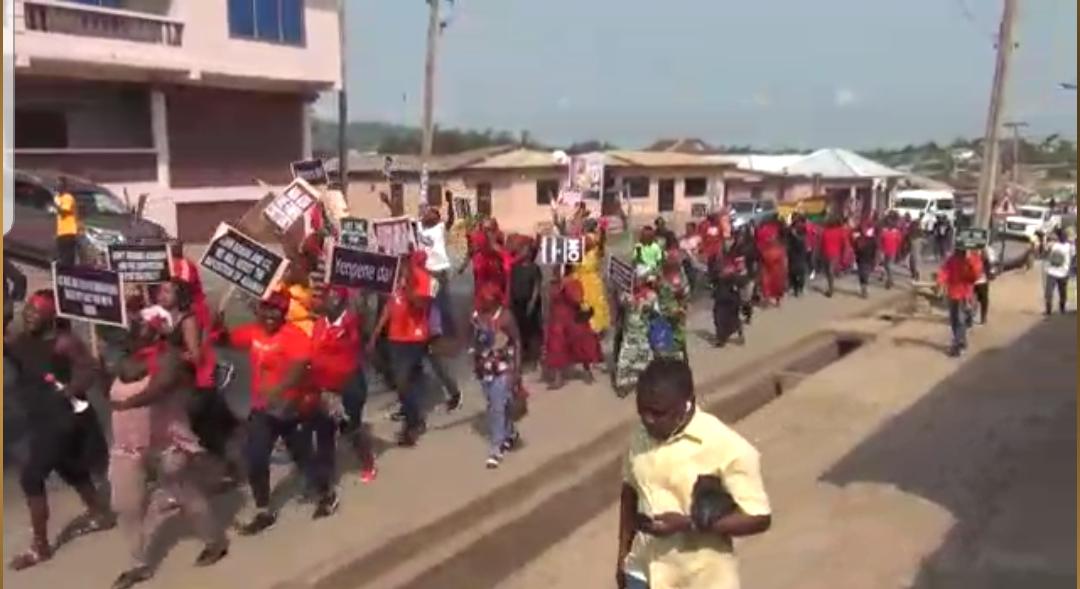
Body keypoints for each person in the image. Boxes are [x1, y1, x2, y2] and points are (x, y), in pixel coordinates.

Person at [617, 359, 772, 589]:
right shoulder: (639, 437)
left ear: (686, 404)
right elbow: (629, 491)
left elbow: (759, 518)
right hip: (644, 570)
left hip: (702, 578)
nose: (648, 420)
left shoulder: (726, 447)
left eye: (658, 413)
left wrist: (688, 524)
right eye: (642, 411)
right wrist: (623, 556)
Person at [108, 310, 229, 589]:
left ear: (155, 330)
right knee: (126, 506)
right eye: (133, 324)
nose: (133, 328)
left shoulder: (169, 357)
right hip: (127, 445)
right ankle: (139, 565)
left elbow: (160, 387)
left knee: (184, 493)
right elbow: (108, 388)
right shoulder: (123, 358)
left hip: (167, 444)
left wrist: (129, 404)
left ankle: (214, 540)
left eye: (139, 324)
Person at [6, 290, 115, 571]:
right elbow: (10, 349)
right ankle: (100, 514)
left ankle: (40, 547)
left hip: (62, 419)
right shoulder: (23, 339)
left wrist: (72, 388)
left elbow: (88, 369)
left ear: (51, 317)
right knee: (70, 467)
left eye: (36, 312)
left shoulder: (64, 342)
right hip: (40, 416)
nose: (28, 315)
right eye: (27, 310)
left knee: (31, 477)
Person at [217, 291, 322, 535]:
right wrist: (218, 318)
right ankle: (263, 510)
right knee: (256, 457)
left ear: (284, 314)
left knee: (302, 455)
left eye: (277, 310)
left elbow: (298, 368)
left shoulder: (294, 336)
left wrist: (280, 390)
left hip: (290, 408)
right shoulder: (252, 331)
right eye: (268, 309)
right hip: (263, 410)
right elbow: (225, 340)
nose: (272, 315)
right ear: (260, 310)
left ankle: (324, 493)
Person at [156, 280, 241, 489]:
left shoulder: (187, 320)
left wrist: (169, 355)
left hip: (193, 386)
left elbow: (195, 356)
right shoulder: (163, 320)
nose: (161, 294)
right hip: (176, 385)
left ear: (180, 296)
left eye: (167, 291)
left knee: (205, 431)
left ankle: (227, 471)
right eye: (161, 290)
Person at [370, 250, 438, 446]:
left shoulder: (425, 279)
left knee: (402, 381)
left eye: (404, 260)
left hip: (414, 337)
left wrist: (408, 284)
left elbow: (420, 305)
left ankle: (413, 423)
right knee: (406, 380)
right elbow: (388, 307)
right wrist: (375, 335)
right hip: (395, 337)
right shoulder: (395, 277)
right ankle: (412, 413)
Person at [311, 285, 377, 484]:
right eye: (321, 297)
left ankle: (367, 463)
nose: (321, 301)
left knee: (351, 429)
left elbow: (362, 330)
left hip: (349, 387)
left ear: (339, 302)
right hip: (325, 389)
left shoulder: (350, 322)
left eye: (327, 297)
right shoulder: (319, 324)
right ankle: (326, 477)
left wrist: (364, 302)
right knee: (324, 432)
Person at [471, 283, 523, 468]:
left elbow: (516, 342)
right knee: (498, 404)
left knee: (497, 407)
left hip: (503, 368)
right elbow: (472, 341)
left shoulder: (506, 317)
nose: (482, 302)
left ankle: (496, 448)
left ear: (494, 300)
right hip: (484, 369)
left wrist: (516, 371)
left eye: (486, 299)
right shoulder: (476, 317)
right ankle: (510, 433)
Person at [543, 268, 602, 389]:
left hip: (572, 319)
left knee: (582, 344)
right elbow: (549, 301)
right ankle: (558, 378)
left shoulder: (573, 282)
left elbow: (577, 300)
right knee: (556, 347)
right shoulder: (553, 283)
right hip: (557, 320)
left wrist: (567, 286)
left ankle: (587, 372)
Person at [614, 272, 660, 396]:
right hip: (629, 335)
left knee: (645, 359)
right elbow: (620, 305)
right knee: (626, 360)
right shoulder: (627, 294)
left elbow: (656, 313)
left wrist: (645, 306)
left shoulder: (651, 296)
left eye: (641, 280)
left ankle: (645, 384)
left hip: (643, 334)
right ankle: (623, 386)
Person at [417, 199, 457, 339]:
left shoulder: (440, 228)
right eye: (428, 213)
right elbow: (399, 219)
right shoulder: (418, 227)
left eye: (433, 214)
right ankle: (431, 330)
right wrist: (388, 203)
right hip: (424, 271)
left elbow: (451, 219)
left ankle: (449, 331)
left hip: (438, 271)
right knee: (426, 301)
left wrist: (450, 203)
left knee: (442, 301)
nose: (429, 215)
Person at [508, 234, 543, 369]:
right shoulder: (515, 267)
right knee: (519, 331)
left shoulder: (534, 268)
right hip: (517, 304)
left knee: (533, 332)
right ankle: (522, 358)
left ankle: (534, 359)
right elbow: (511, 285)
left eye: (526, 250)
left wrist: (532, 303)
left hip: (530, 304)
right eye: (521, 249)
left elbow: (536, 287)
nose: (522, 252)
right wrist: (510, 300)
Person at [937, 246, 979, 357]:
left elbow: (975, 275)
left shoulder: (973, 258)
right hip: (952, 293)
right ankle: (961, 341)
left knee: (960, 320)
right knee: (953, 320)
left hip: (964, 294)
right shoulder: (953, 258)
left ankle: (957, 344)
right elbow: (945, 270)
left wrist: (969, 259)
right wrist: (940, 281)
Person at [577, 219, 611, 334]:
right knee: (594, 302)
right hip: (590, 276)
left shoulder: (589, 239)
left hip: (586, 277)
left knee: (589, 302)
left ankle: (590, 327)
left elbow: (596, 250)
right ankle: (595, 327)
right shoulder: (592, 240)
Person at [709, 256, 744, 349]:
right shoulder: (718, 272)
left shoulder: (732, 272)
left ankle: (723, 338)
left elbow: (740, 283)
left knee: (728, 319)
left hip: (730, 299)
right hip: (722, 298)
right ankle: (722, 339)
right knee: (719, 318)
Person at [1043, 228, 1074, 316]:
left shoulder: (1065, 246)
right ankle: (1051, 309)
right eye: (1063, 236)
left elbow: (1045, 251)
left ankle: (1061, 308)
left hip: (1060, 273)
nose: (1064, 237)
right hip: (1055, 272)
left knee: (1061, 293)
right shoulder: (1067, 246)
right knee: (1052, 292)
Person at [757, 220, 788, 307]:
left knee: (766, 281)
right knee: (777, 282)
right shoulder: (779, 247)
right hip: (776, 264)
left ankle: (768, 299)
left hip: (767, 260)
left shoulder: (761, 233)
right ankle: (777, 300)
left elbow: (758, 246)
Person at [54, 176, 79, 266]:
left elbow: (64, 211)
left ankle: (69, 274)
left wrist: (55, 205)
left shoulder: (68, 198)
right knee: (61, 256)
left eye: (59, 184)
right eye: (56, 184)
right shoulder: (57, 198)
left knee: (68, 258)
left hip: (69, 232)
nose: (57, 186)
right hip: (60, 232)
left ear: (64, 187)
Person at [819, 218, 847, 297]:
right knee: (828, 272)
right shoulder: (826, 232)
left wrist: (843, 254)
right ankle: (830, 286)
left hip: (832, 254)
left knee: (830, 271)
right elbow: (822, 243)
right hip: (829, 254)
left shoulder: (837, 231)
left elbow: (844, 243)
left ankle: (831, 289)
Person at [971, 243, 996, 325]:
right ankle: (970, 316)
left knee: (983, 299)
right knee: (970, 299)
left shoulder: (986, 250)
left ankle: (983, 317)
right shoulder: (966, 248)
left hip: (982, 279)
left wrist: (991, 273)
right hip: (969, 279)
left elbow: (991, 263)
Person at [852, 221, 878, 299]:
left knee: (865, 274)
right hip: (861, 259)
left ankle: (864, 289)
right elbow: (855, 249)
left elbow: (875, 250)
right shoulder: (858, 239)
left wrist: (875, 259)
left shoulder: (872, 239)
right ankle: (864, 289)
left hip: (867, 259)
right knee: (862, 274)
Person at [785, 216, 809, 297]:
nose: (798, 224)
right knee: (793, 272)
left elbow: (803, 239)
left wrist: (795, 235)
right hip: (793, 253)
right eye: (796, 223)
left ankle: (800, 287)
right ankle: (795, 288)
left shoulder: (802, 230)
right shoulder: (789, 231)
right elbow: (787, 240)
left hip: (800, 252)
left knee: (801, 270)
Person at [879, 218, 904, 289]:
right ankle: (889, 279)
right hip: (884, 250)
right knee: (885, 265)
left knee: (888, 266)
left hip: (892, 251)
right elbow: (880, 240)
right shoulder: (884, 231)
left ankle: (889, 280)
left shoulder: (896, 232)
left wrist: (898, 251)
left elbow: (899, 242)